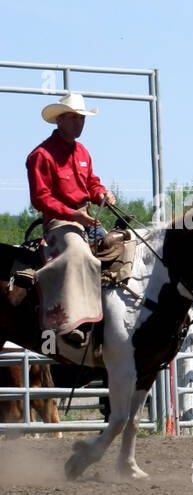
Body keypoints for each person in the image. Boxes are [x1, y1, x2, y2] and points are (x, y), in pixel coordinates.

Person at [25, 92, 115, 349]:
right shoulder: (41, 155)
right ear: (60, 121)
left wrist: (102, 194)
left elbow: (91, 183)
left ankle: (112, 316)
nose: (80, 123)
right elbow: (40, 199)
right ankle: (74, 323)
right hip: (59, 222)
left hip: (86, 218)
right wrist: (72, 215)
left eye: (82, 118)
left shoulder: (83, 151)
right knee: (78, 254)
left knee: (118, 249)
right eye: (74, 118)